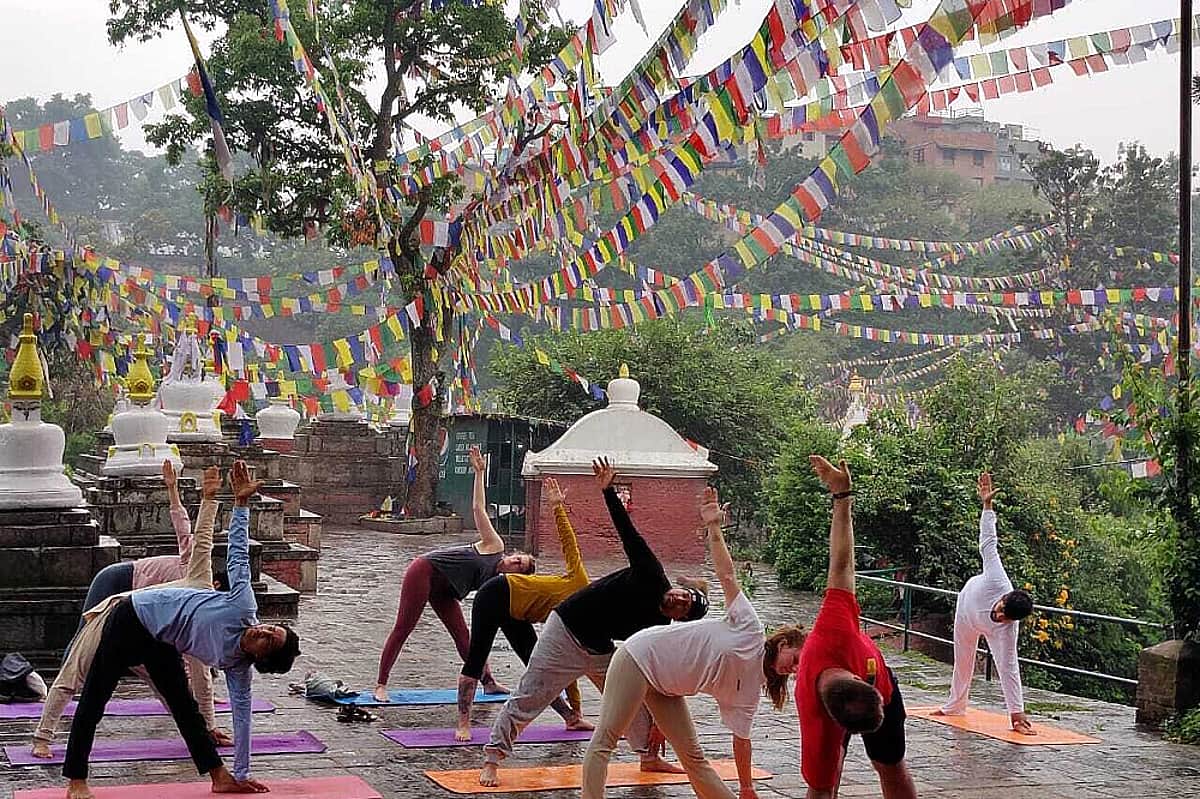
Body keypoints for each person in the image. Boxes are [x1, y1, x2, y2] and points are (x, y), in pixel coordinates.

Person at [61, 461, 300, 799]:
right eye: (269, 628)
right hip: (130, 618)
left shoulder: (237, 668)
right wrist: (241, 504)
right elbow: (237, 557)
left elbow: (243, 721)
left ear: (260, 658)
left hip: (162, 642)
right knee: (96, 696)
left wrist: (242, 772)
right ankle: (76, 780)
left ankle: (220, 777)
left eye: (268, 641)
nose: (261, 631)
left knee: (187, 710)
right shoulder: (243, 606)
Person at [478, 457, 707, 787]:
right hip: (566, 629)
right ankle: (492, 759)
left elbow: (655, 675)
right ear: (678, 588)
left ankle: (649, 757)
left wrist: (661, 721)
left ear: (680, 618)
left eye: (683, 607)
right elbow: (627, 533)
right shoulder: (651, 574)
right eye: (682, 595)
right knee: (531, 695)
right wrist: (608, 491)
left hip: (601, 650)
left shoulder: (660, 628)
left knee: (633, 700)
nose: (678, 600)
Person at [33, 461, 231, 758]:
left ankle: (200, 733)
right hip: (119, 603)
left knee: (172, 689)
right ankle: (42, 738)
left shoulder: (200, 626)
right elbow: (199, 535)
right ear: (214, 585)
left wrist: (208, 727)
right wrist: (207, 497)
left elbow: (201, 678)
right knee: (75, 673)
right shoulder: (199, 572)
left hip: (151, 637)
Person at [580, 485, 764, 799]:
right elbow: (728, 576)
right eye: (795, 656)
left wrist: (746, 788)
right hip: (637, 658)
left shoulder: (751, 689)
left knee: (693, 758)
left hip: (666, 685)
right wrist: (714, 527)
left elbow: (741, 739)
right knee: (605, 741)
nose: (795, 666)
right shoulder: (749, 629)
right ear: (783, 641)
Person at [768, 456, 916, 799]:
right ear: (857, 677)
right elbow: (819, 792)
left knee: (890, 765)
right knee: (824, 784)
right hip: (832, 714)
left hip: (885, 693)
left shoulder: (835, 626)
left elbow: (842, 561)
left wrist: (842, 494)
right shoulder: (815, 716)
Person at [374, 444, 536, 703]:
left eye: (520, 566)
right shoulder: (495, 546)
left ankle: (489, 682)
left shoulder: (501, 584)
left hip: (447, 591)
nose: (514, 562)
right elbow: (478, 509)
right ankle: (381, 684)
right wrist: (479, 473)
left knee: (464, 638)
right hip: (425, 571)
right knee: (404, 627)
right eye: (518, 558)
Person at [455, 462, 590, 740]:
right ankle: (463, 723)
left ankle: (571, 718)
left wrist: (578, 706)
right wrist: (556, 507)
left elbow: (573, 666)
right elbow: (569, 542)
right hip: (496, 595)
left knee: (541, 666)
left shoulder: (581, 620)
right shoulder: (579, 580)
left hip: (516, 614)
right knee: (476, 658)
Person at [935, 472, 1036, 734]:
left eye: (1005, 616)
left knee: (1005, 663)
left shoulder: (1006, 629)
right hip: (966, 608)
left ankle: (1016, 717)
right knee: (963, 660)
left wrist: (1018, 716)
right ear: (1003, 597)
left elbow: (1009, 668)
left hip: (983, 625)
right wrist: (987, 506)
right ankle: (954, 706)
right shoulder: (997, 579)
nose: (999, 614)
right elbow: (988, 543)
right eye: (1002, 608)